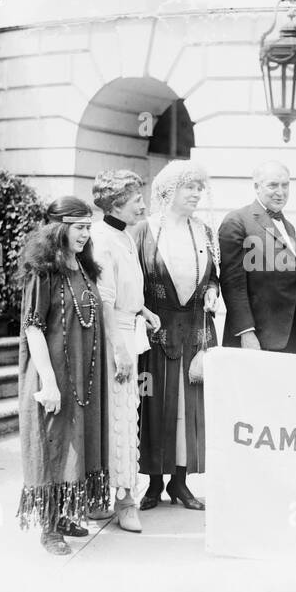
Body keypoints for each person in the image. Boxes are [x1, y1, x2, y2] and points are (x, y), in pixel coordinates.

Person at [16, 197, 109, 555]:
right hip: (51, 374)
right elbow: (33, 328)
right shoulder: (44, 271)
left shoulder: (83, 267)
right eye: (79, 227)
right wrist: (49, 382)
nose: (86, 234)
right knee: (53, 444)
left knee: (77, 442)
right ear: (59, 229)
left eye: (88, 227)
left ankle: (67, 513)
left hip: (82, 373)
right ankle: (49, 528)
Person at [130, 160, 220, 511]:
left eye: (200, 187)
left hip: (197, 330)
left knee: (190, 407)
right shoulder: (143, 231)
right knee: (155, 403)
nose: (197, 193)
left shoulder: (205, 232)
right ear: (168, 191)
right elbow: (130, 282)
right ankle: (153, 482)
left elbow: (214, 277)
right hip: (156, 330)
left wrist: (213, 290)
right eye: (190, 187)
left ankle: (180, 483)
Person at [90, 169, 163, 533]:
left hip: (128, 330)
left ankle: (117, 497)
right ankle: (124, 501)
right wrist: (118, 350)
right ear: (117, 200)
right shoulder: (101, 239)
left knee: (125, 416)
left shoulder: (124, 237)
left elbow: (127, 290)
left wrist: (144, 310)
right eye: (137, 198)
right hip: (113, 338)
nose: (144, 204)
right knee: (118, 420)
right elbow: (104, 300)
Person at [218, 161, 296, 354]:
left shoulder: (288, 226)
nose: (281, 191)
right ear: (256, 187)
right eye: (273, 185)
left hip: (292, 337)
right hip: (258, 339)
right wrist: (246, 333)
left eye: (285, 185)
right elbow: (232, 284)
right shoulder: (237, 221)